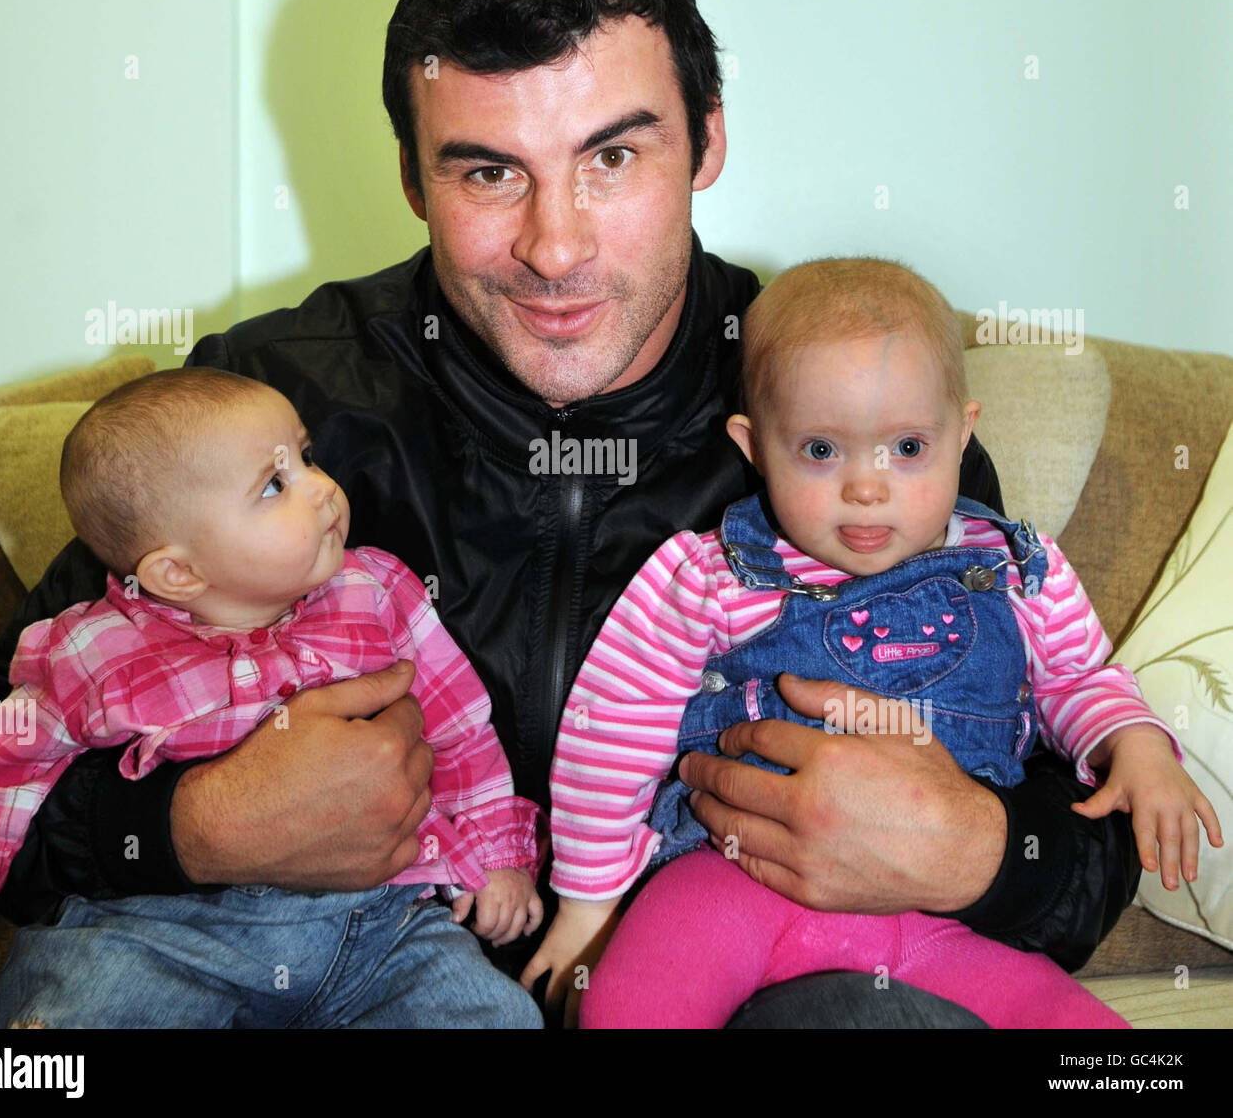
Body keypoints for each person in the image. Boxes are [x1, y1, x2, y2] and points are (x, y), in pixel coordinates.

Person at [0, 0, 1142, 1028]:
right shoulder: (275, 404)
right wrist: (186, 830)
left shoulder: (847, 410)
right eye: (485, 171)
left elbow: (1090, 818)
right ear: (412, 178)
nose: (553, 246)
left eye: (611, 158)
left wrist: (981, 852)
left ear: (707, 140)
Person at [523, 258, 1222, 1027]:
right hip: (732, 883)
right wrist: (587, 903)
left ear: (963, 435)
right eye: (821, 450)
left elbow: (1078, 680)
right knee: (636, 998)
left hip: (940, 918)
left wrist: (1140, 744)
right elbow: (616, 721)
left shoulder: (1018, 571)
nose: (867, 485)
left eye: (909, 448)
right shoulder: (714, 575)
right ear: (755, 447)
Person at [0, 369, 543, 1028]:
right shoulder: (92, 650)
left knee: (495, 1014)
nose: (323, 489)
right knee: (77, 1012)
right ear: (179, 570)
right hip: (160, 932)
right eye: (275, 485)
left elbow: (460, 726)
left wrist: (496, 855)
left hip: (383, 926)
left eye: (305, 458)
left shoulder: (378, 591)